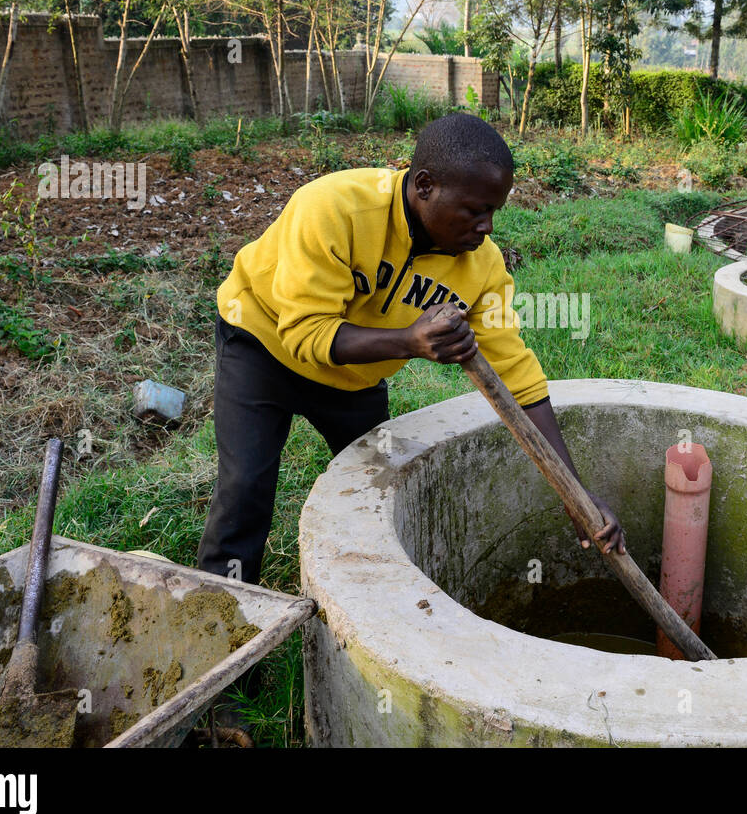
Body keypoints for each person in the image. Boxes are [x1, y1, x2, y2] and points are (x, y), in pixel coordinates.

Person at [197, 112, 625, 590]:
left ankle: (370, 597)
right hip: (262, 348)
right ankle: (225, 626)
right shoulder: (333, 208)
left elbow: (518, 379)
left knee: (378, 489)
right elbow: (305, 333)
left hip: (354, 377)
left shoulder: (482, 267)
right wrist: (409, 342)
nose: (486, 227)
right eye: (473, 210)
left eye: (494, 212)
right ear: (424, 185)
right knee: (245, 490)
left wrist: (574, 496)